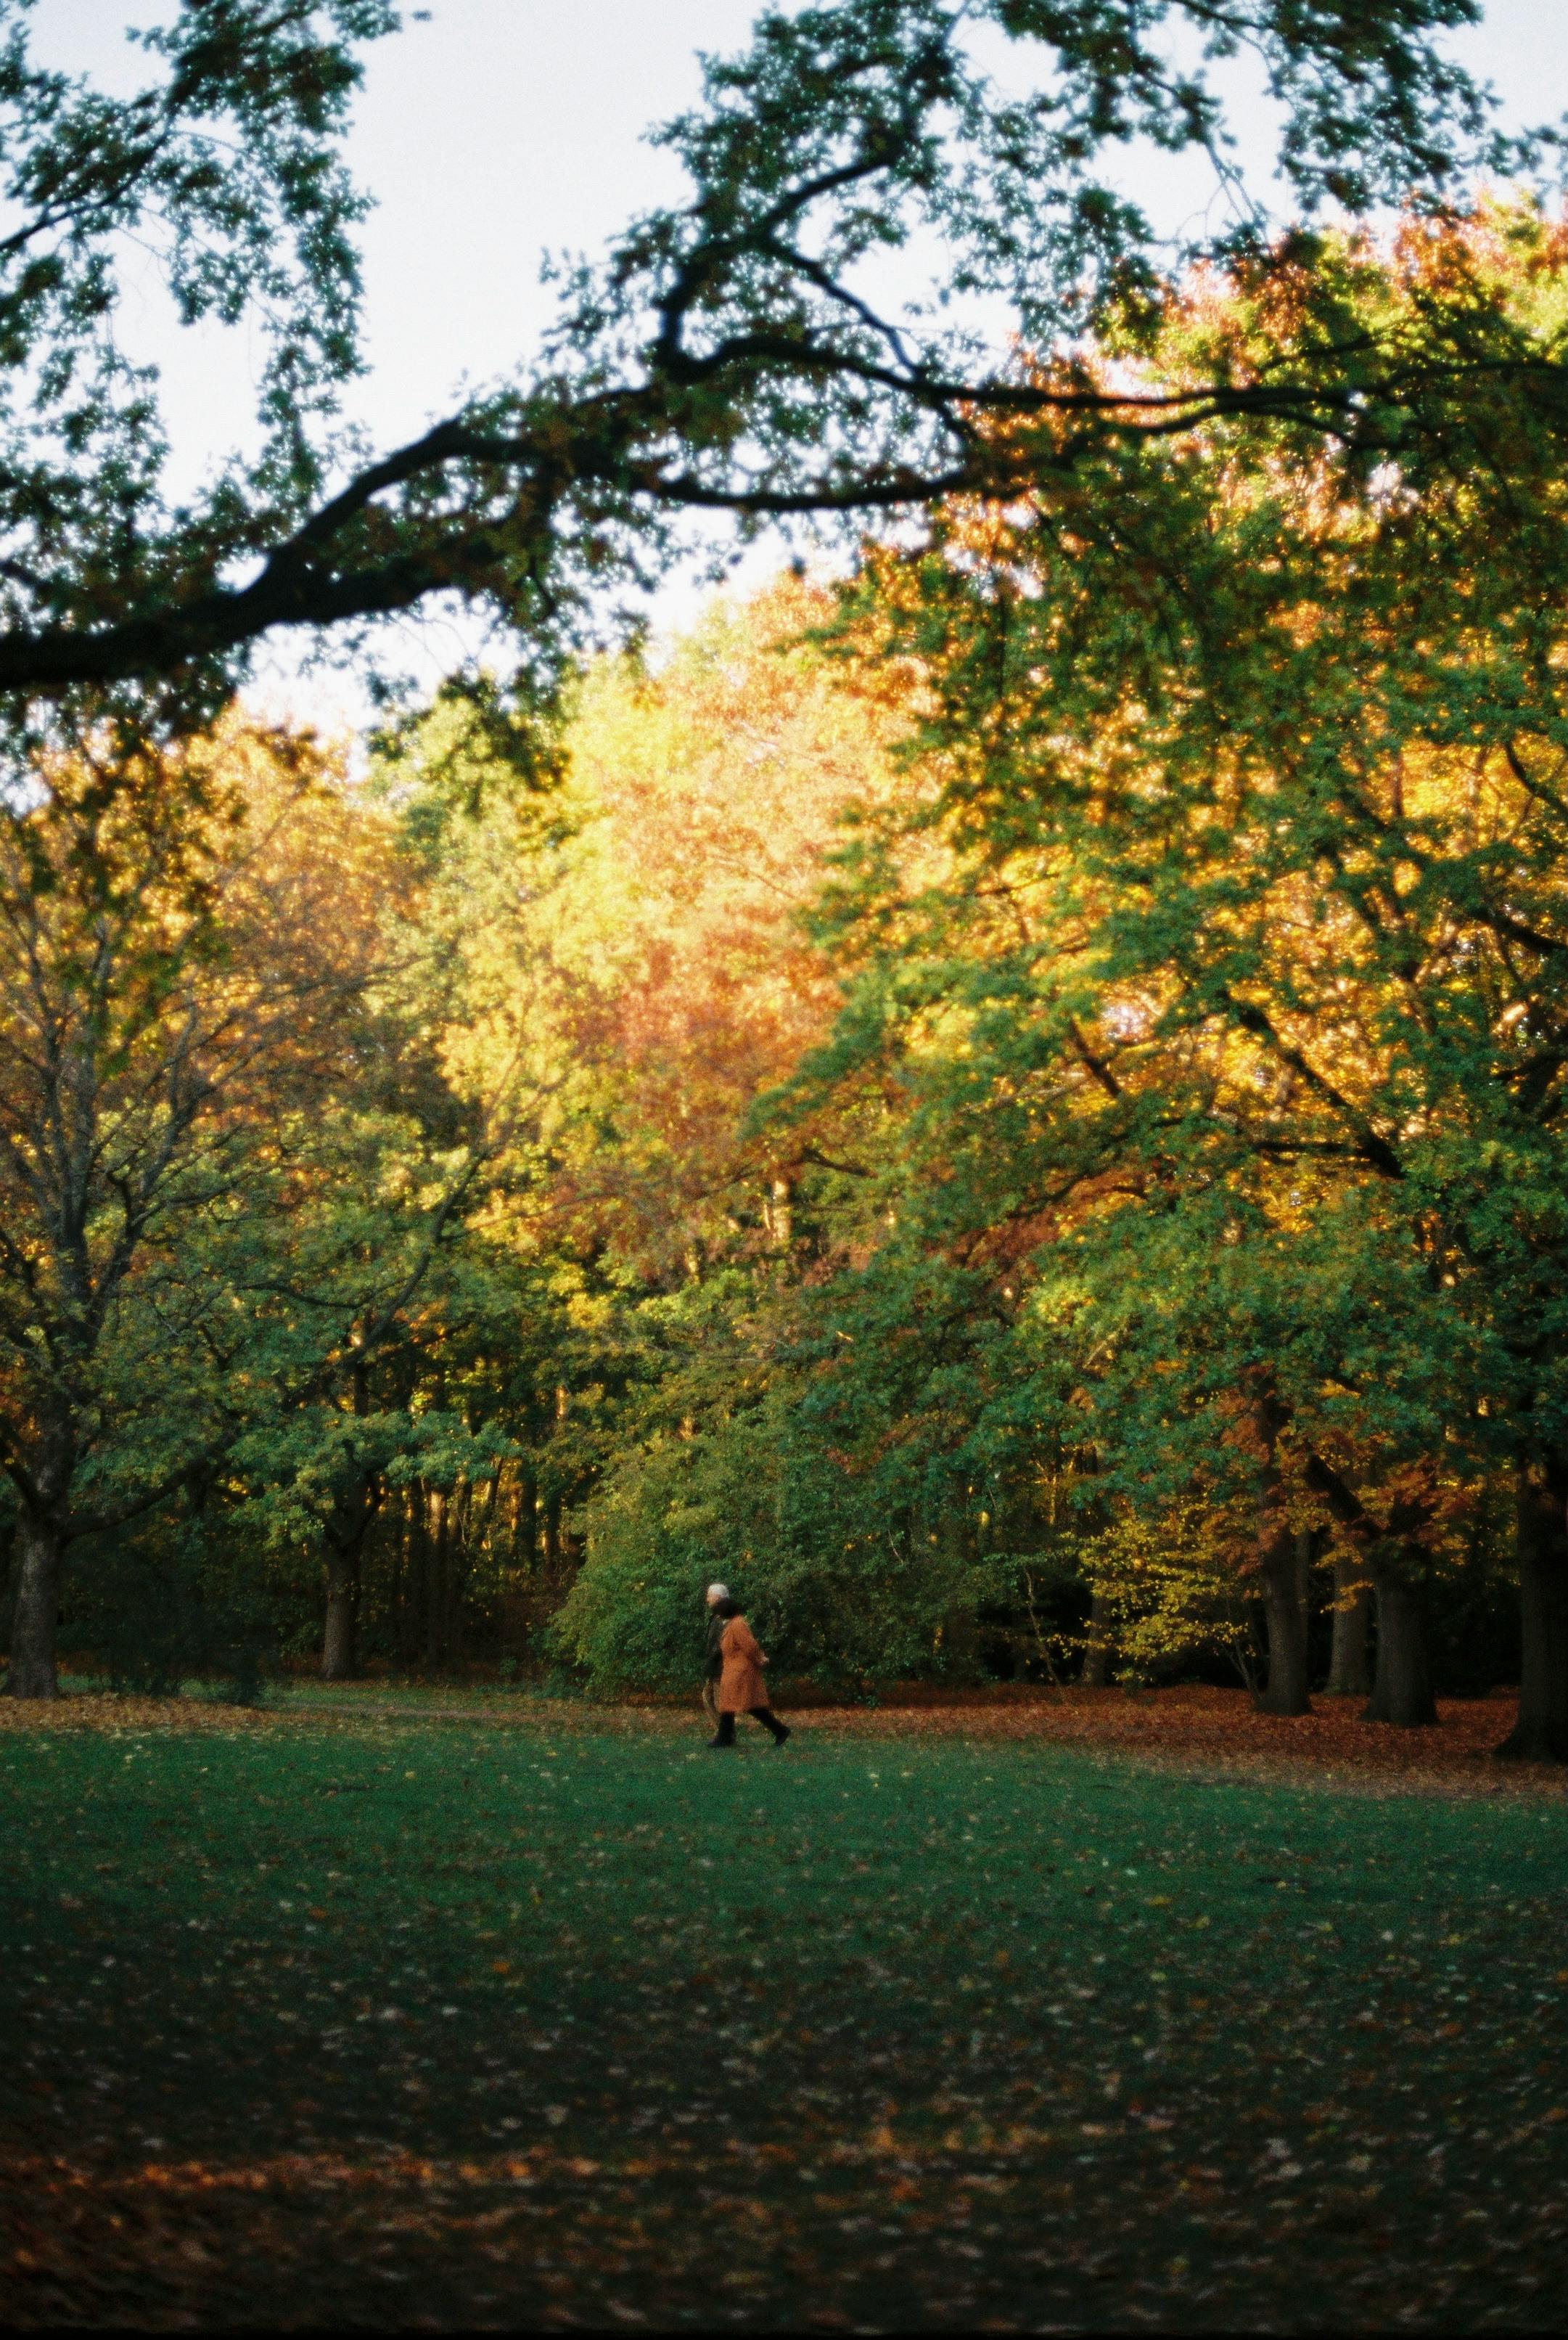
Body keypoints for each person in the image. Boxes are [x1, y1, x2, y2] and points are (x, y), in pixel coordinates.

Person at [705, 1585, 789, 1748]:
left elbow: (749, 1645)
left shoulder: (738, 1624)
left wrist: (760, 1659)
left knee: (742, 1705)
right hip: (733, 1670)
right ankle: (778, 1730)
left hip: (740, 1671)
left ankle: (778, 1730)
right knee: (734, 1705)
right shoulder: (731, 1624)